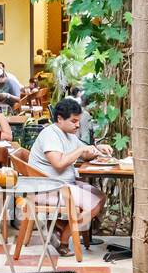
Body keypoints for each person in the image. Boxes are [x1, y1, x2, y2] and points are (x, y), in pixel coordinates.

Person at [29, 97, 110, 255]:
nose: (78, 125)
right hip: (48, 187)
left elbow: (84, 153)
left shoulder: (69, 135)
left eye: (78, 121)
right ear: (59, 119)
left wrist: (97, 148)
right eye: (74, 121)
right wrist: (80, 151)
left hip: (63, 184)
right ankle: (64, 239)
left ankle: (59, 229)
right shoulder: (50, 135)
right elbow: (58, 164)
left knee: (100, 196)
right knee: (93, 204)